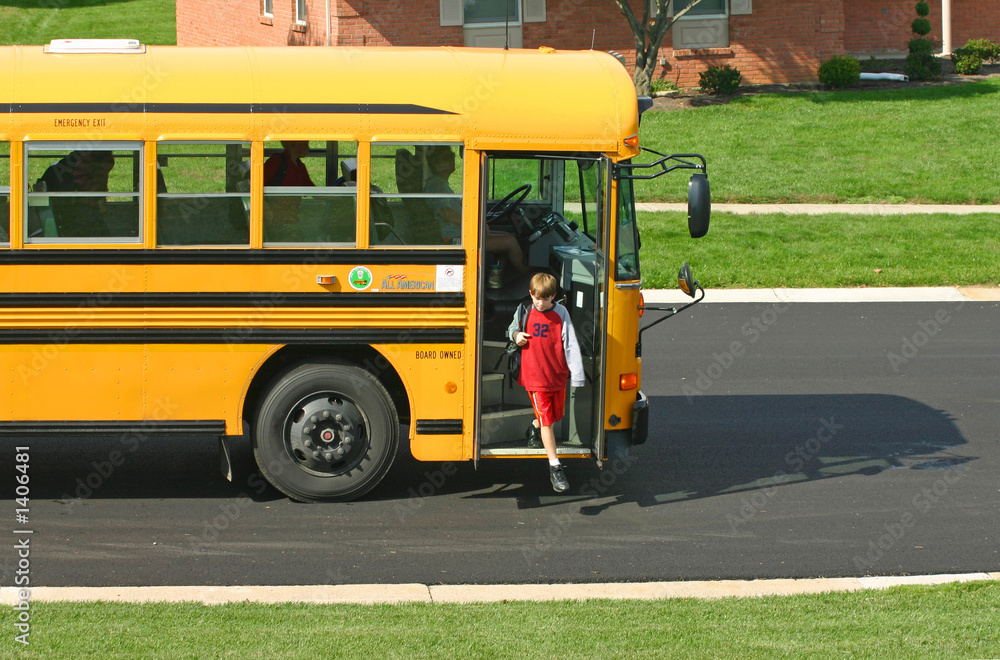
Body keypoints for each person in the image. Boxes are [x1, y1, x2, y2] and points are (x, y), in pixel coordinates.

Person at [507, 272, 585, 493]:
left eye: (546, 299)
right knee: (548, 422)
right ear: (531, 294)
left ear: (554, 297)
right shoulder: (524, 311)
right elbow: (511, 329)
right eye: (537, 298)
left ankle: (533, 428)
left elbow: (569, 343)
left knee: (554, 416)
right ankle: (555, 466)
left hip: (556, 376)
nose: (540, 303)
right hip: (534, 377)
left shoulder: (561, 313)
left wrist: (577, 374)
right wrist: (516, 336)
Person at [424, 145, 527, 271]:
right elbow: (445, 212)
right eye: (447, 157)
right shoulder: (436, 185)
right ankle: (529, 279)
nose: (452, 158)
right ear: (436, 164)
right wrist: (475, 224)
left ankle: (494, 281)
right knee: (510, 241)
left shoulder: (440, 183)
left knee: (506, 236)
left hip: (461, 233)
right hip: (454, 238)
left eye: (452, 155)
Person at [35, 150, 115, 237]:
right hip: (69, 203)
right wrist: (97, 199)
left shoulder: (82, 159)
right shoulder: (86, 162)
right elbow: (84, 186)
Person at [263, 141, 314, 236]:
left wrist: (342, 195)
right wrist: (269, 215)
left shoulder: (300, 166)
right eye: (305, 144)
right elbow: (254, 186)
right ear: (293, 144)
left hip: (291, 218)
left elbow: (314, 192)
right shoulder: (276, 161)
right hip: (275, 220)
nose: (308, 148)